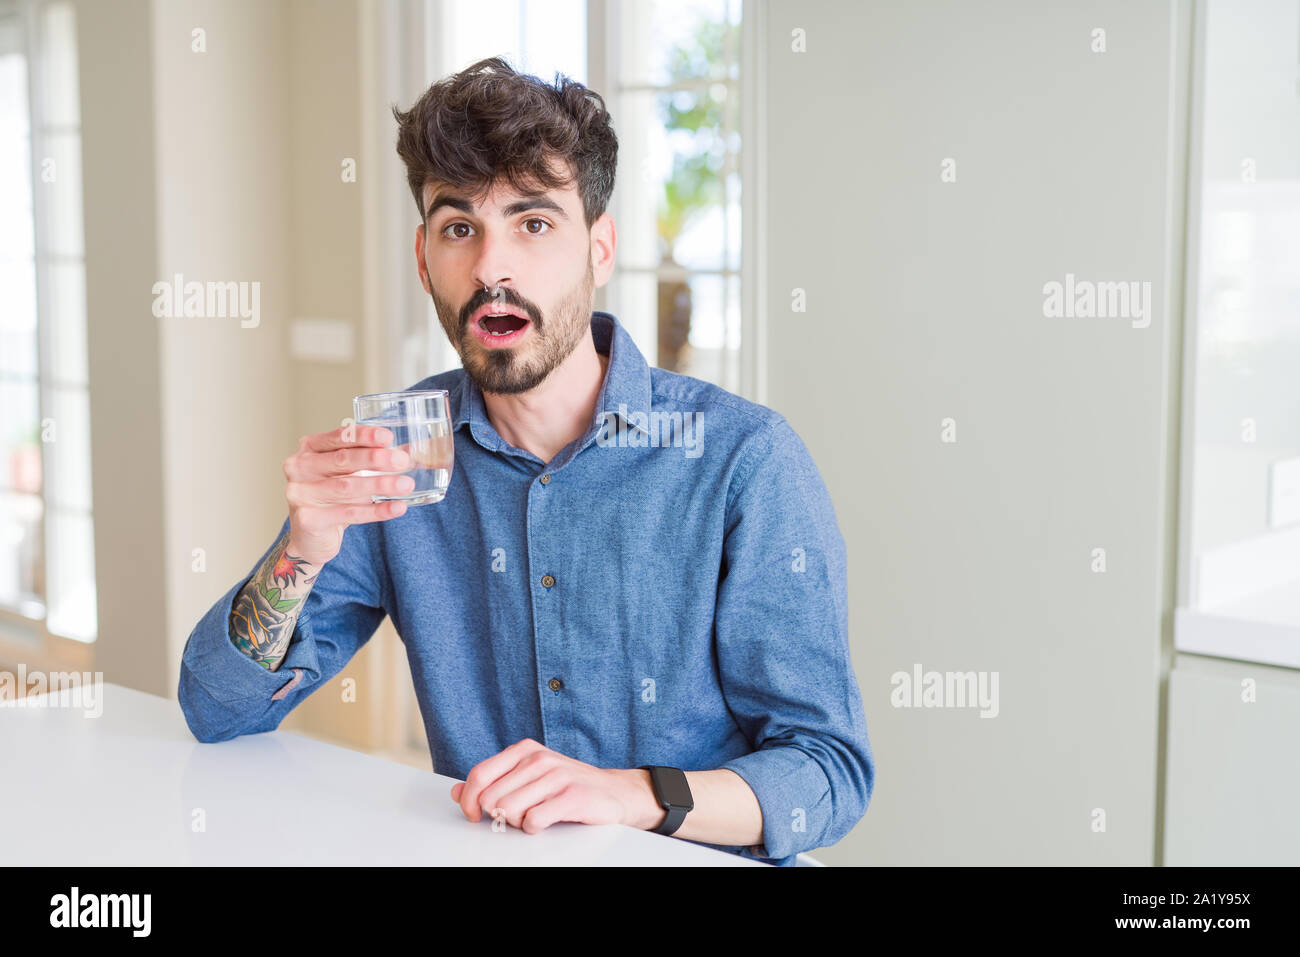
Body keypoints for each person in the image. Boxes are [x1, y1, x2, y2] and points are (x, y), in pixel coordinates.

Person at [178, 56, 873, 866]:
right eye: (459, 227)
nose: (491, 268)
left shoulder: (744, 460)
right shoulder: (402, 458)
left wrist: (630, 794)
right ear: (423, 256)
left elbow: (827, 771)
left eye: (533, 223)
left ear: (599, 248)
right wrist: (299, 554)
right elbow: (215, 710)